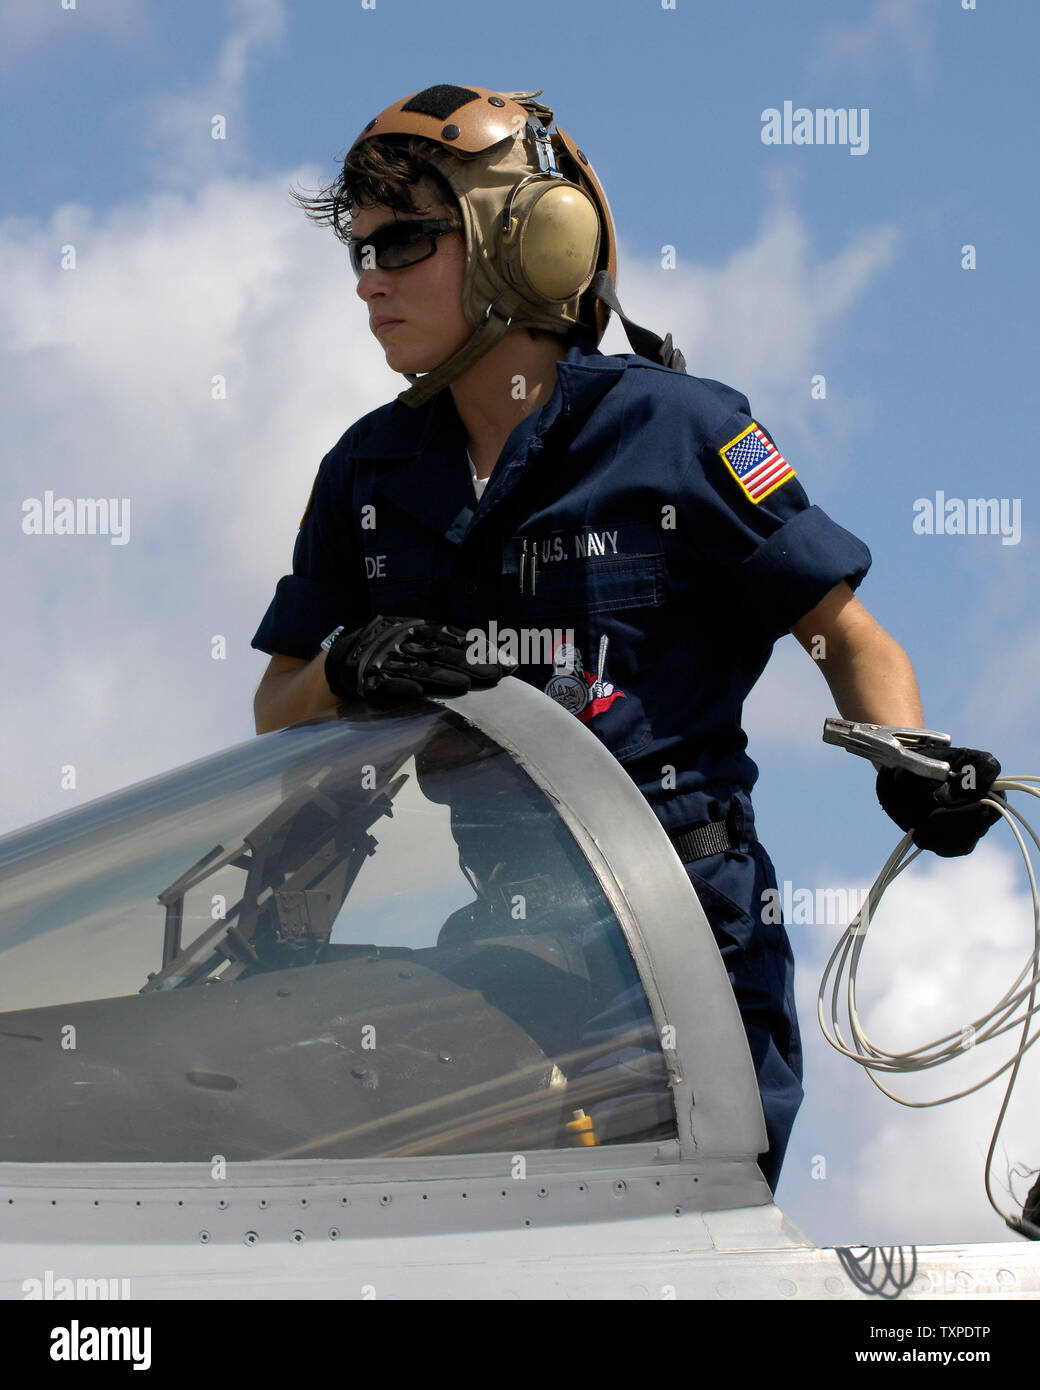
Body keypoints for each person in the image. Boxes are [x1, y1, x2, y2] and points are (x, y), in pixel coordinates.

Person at [251, 84, 1001, 1189]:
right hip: (501, 942)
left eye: (403, 242)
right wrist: (344, 670)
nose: (368, 280)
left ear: (530, 242)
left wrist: (909, 764)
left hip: (682, 938)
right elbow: (277, 711)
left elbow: (847, 639)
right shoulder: (364, 472)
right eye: (358, 252)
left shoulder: (676, 431)